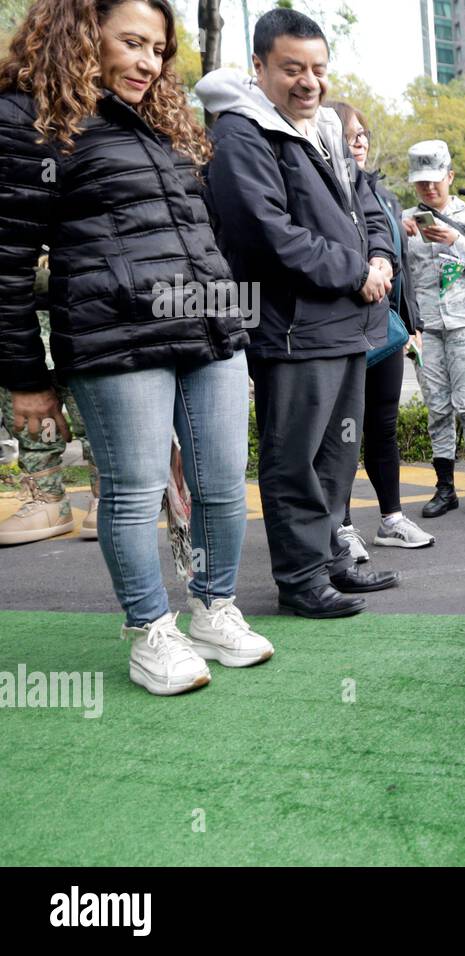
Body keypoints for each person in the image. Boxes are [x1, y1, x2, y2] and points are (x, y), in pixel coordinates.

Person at [0, 0, 272, 694]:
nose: (150, 62)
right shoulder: (25, 117)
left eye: (159, 49)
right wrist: (27, 378)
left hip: (206, 326)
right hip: (114, 334)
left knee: (220, 485)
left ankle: (213, 609)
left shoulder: (161, 121)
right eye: (133, 43)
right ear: (83, 35)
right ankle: (151, 631)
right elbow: (6, 259)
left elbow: (199, 237)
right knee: (132, 492)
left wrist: (232, 326)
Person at [198, 8, 400, 619]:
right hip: (290, 325)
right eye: (291, 69)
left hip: (345, 323)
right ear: (258, 67)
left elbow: (367, 201)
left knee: (338, 451)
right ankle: (300, 577)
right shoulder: (241, 133)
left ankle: (333, 557)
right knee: (295, 457)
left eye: (318, 68)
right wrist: (356, 272)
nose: (309, 81)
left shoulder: (328, 129)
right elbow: (268, 234)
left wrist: (383, 256)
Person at [326, 101, 432, 556]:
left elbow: (398, 264)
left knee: (382, 428)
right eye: (351, 135)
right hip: (340, 328)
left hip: (384, 327)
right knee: (343, 429)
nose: (361, 142)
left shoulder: (381, 194)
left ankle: (391, 518)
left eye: (364, 134)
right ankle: (341, 525)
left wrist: (411, 324)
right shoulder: (322, 185)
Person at [402, 140, 465, 520]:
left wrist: (458, 242)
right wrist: (398, 234)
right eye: (421, 183)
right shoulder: (406, 219)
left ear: (450, 176)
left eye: (435, 181)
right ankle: (445, 488)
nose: (428, 189)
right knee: (437, 409)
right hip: (426, 328)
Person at [0, 261, 99, 545]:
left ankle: (111, 493)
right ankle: (48, 501)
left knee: (96, 417)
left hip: (89, 319)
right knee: (31, 420)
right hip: (20, 322)